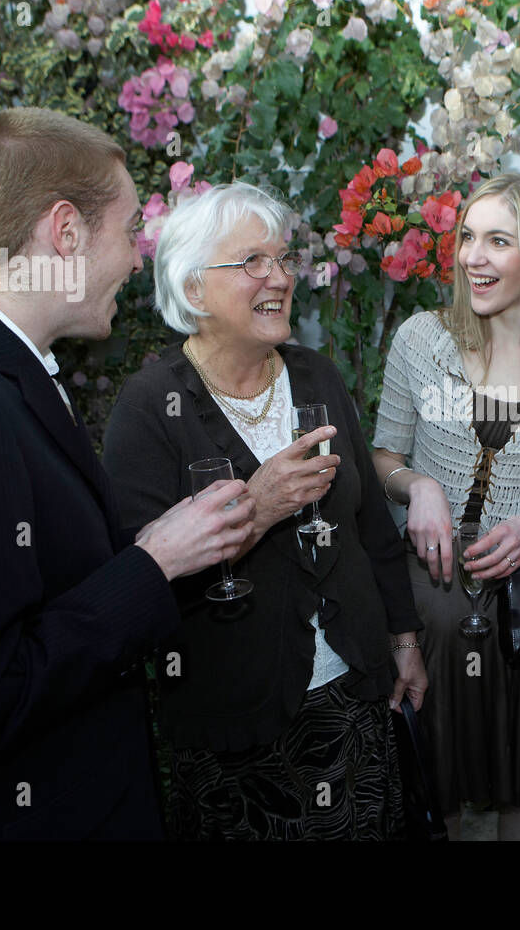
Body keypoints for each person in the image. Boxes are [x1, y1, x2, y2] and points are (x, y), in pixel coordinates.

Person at [0, 107, 257, 840]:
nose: (135, 260)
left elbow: (30, 589)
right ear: (65, 231)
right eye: (128, 231)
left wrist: (145, 549)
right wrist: (151, 567)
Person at [102, 181, 425, 840]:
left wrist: (404, 640)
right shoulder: (149, 408)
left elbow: (370, 529)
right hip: (237, 722)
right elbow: (141, 584)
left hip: (353, 695)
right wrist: (262, 504)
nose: (280, 276)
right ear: (195, 291)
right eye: (252, 262)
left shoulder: (316, 376)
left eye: (281, 259)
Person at [372, 172, 520, 840]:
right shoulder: (423, 341)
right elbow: (383, 456)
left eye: (498, 241)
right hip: (433, 599)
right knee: (436, 774)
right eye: (468, 237)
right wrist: (419, 488)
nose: (473, 257)